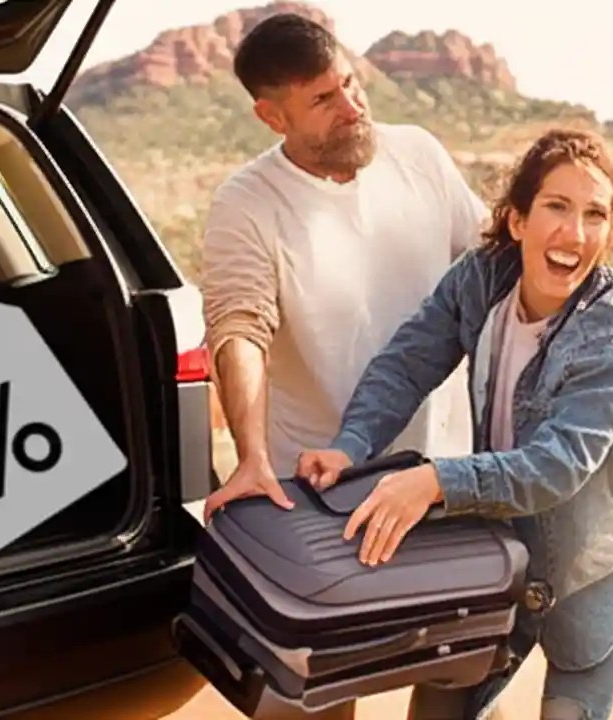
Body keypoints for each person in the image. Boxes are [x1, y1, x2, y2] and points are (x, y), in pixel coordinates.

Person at [297, 127, 613, 720]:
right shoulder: (482, 278)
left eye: (595, 214)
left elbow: (555, 467)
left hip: (592, 577)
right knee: (439, 711)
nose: (575, 233)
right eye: (557, 207)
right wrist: (351, 445)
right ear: (517, 220)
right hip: (499, 559)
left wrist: (437, 481)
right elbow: (407, 363)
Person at [198, 8, 485, 526]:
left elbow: (495, 264)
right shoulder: (246, 203)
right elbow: (239, 329)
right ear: (272, 118)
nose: (352, 109)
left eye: (350, 84)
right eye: (323, 100)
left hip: (440, 480)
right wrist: (251, 458)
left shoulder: (419, 154)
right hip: (322, 492)